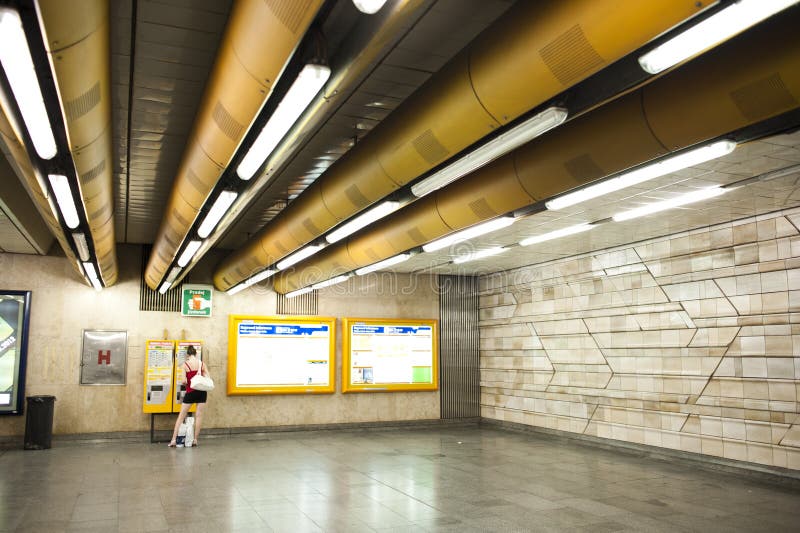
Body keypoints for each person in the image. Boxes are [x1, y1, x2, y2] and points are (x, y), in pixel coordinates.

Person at [168, 345, 209, 447]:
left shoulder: (185, 365)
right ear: (195, 353)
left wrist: (187, 382)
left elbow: (183, 381)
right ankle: (195, 440)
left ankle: (173, 440)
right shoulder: (202, 364)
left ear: (188, 354)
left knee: (181, 416)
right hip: (202, 392)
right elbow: (208, 377)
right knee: (199, 416)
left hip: (190, 392)